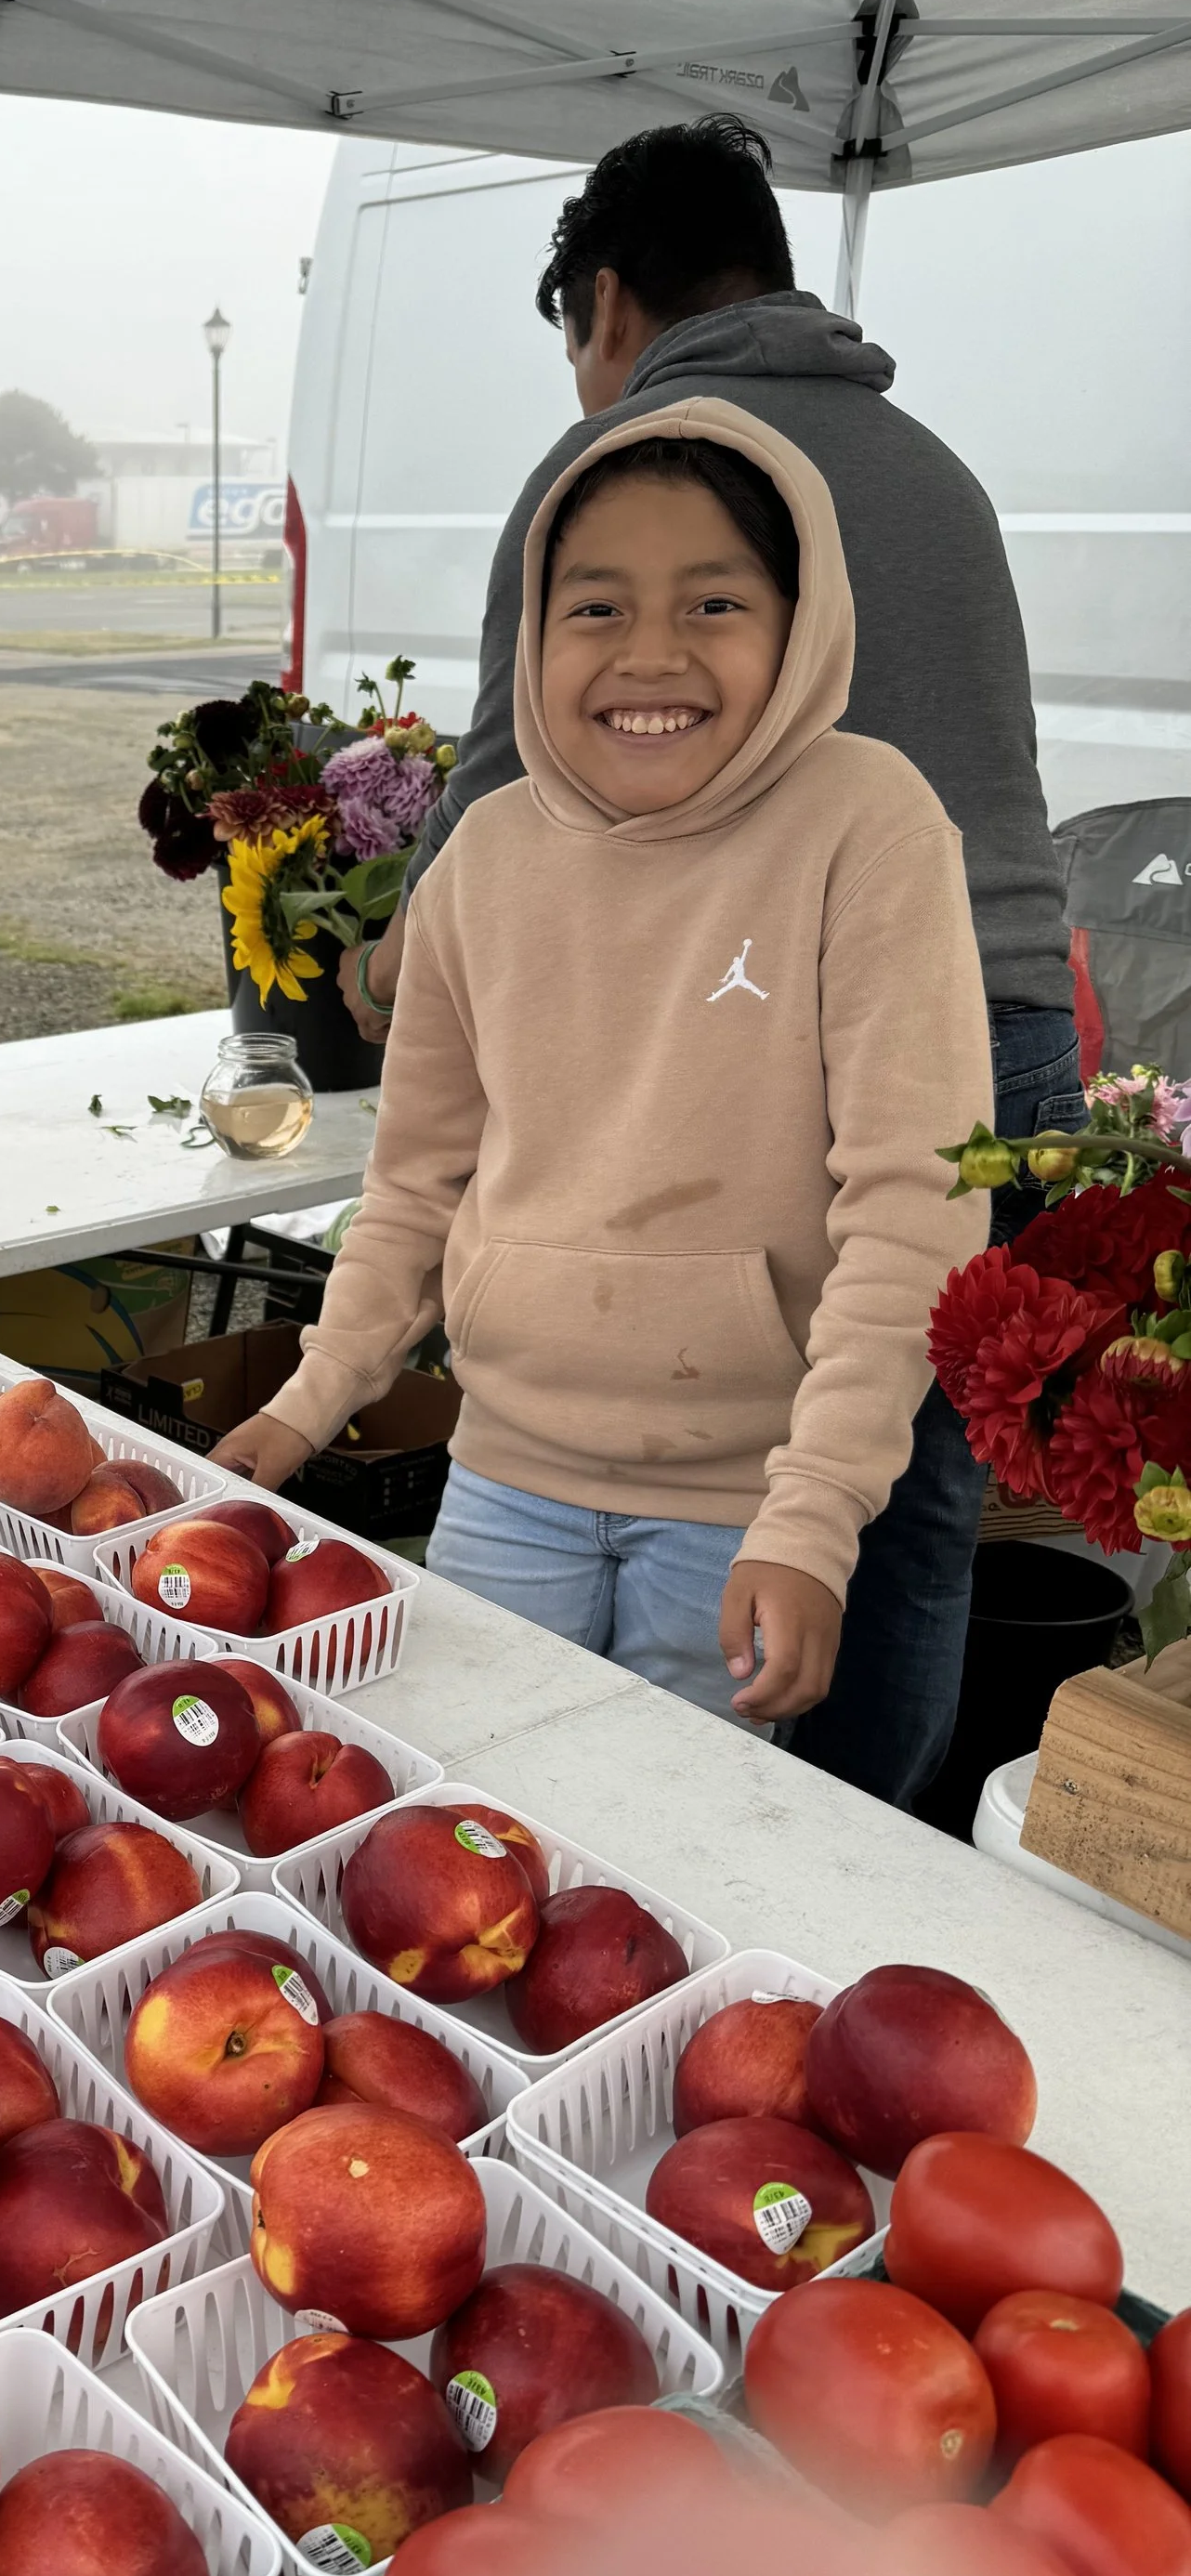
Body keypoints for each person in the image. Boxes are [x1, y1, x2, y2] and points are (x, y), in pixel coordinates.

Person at [341, 116, 1079, 1802]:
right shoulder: (936, 467)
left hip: (810, 1045)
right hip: (1020, 1028)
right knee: (901, 1512)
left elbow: (503, 786)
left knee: (761, 1496)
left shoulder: (644, 460)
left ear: (607, 302)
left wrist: (396, 968)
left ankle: (657, 1887)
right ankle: (856, 1902)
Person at [216, 401, 990, 1729]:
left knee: (662, 1877)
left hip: (738, 1503)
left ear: (799, 623)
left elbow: (919, 1203)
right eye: (597, 609)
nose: (651, 656)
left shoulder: (868, 822)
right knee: (469, 1816)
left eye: (713, 605)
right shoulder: (486, 855)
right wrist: (307, 1404)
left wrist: (812, 1520)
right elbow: (416, 1182)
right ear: (534, 627)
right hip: (502, 1474)